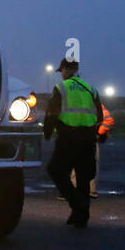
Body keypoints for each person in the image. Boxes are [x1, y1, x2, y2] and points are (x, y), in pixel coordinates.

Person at [43, 57, 104, 228]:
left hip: (68, 138)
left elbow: (51, 114)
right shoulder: (91, 89)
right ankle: (81, 217)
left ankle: (77, 204)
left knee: (55, 171)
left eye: (61, 71)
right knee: (84, 178)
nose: (61, 74)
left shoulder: (61, 88)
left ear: (65, 69)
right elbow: (100, 116)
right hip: (89, 138)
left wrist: (47, 132)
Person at [73, 102, 115, 197]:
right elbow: (109, 120)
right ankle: (91, 190)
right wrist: (99, 133)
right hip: (91, 139)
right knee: (92, 165)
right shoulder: (96, 105)